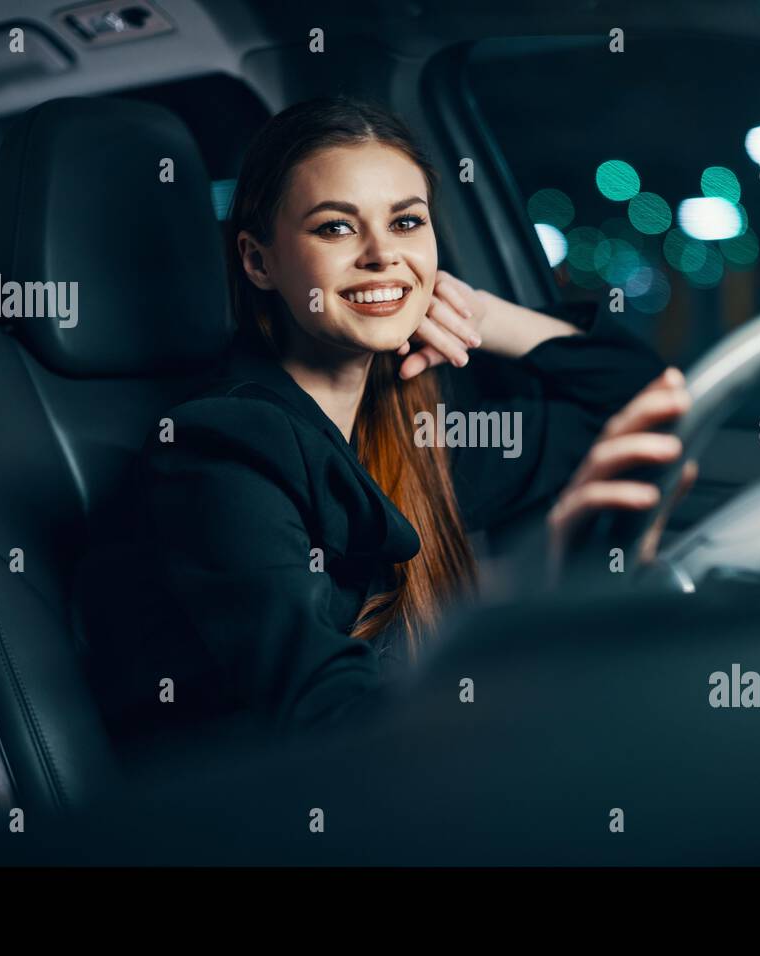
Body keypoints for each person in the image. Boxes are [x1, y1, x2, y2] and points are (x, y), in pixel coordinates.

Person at [139, 95, 695, 737]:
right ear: (259, 261)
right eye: (335, 227)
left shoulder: (420, 425)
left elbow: (650, 402)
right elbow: (328, 716)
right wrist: (539, 611)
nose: (383, 255)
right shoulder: (220, 454)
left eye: (406, 223)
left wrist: (487, 318)